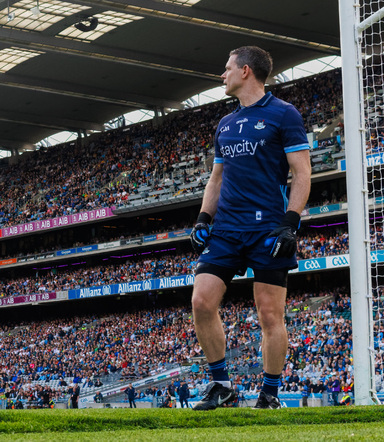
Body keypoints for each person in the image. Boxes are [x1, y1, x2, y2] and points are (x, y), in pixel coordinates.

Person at [189, 46, 311, 411]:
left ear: (245, 71)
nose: (222, 75)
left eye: (227, 68)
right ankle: (222, 386)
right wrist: (203, 219)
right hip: (226, 228)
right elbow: (216, 179)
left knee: (269, 314)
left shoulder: (284, 114)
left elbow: (302, 172)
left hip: (268, 229)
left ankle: (269, 394)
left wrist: (291, 223)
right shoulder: (225, 124)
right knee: (201, 301)